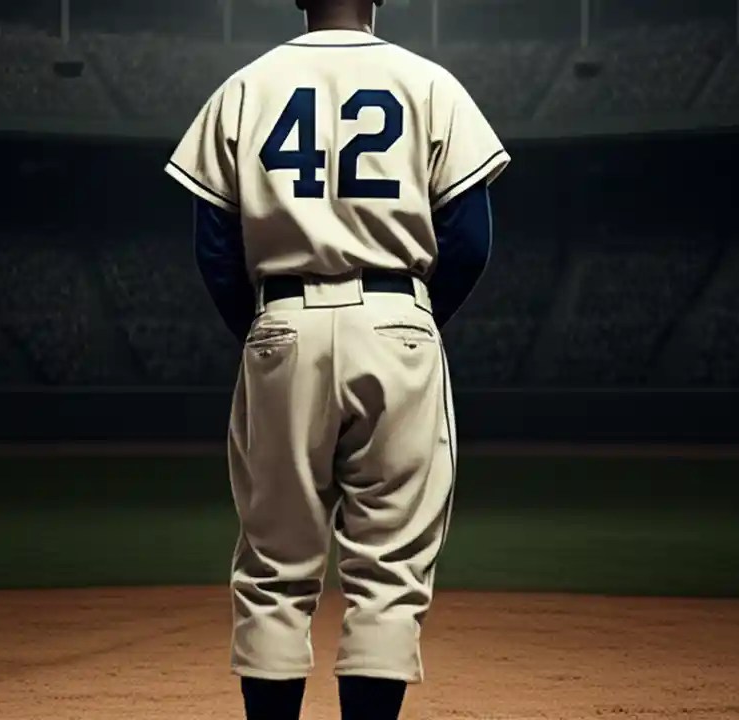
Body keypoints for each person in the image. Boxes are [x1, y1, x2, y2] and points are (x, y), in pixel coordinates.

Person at [164, 1, 509, 717]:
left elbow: (213, 246)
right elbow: (471, 239)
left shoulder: (245, 86)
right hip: (398, 322)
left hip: (281, 322)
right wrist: (408, 320)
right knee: (387, 574)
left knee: (273, 572)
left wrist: (267, 332)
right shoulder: (430, 83)